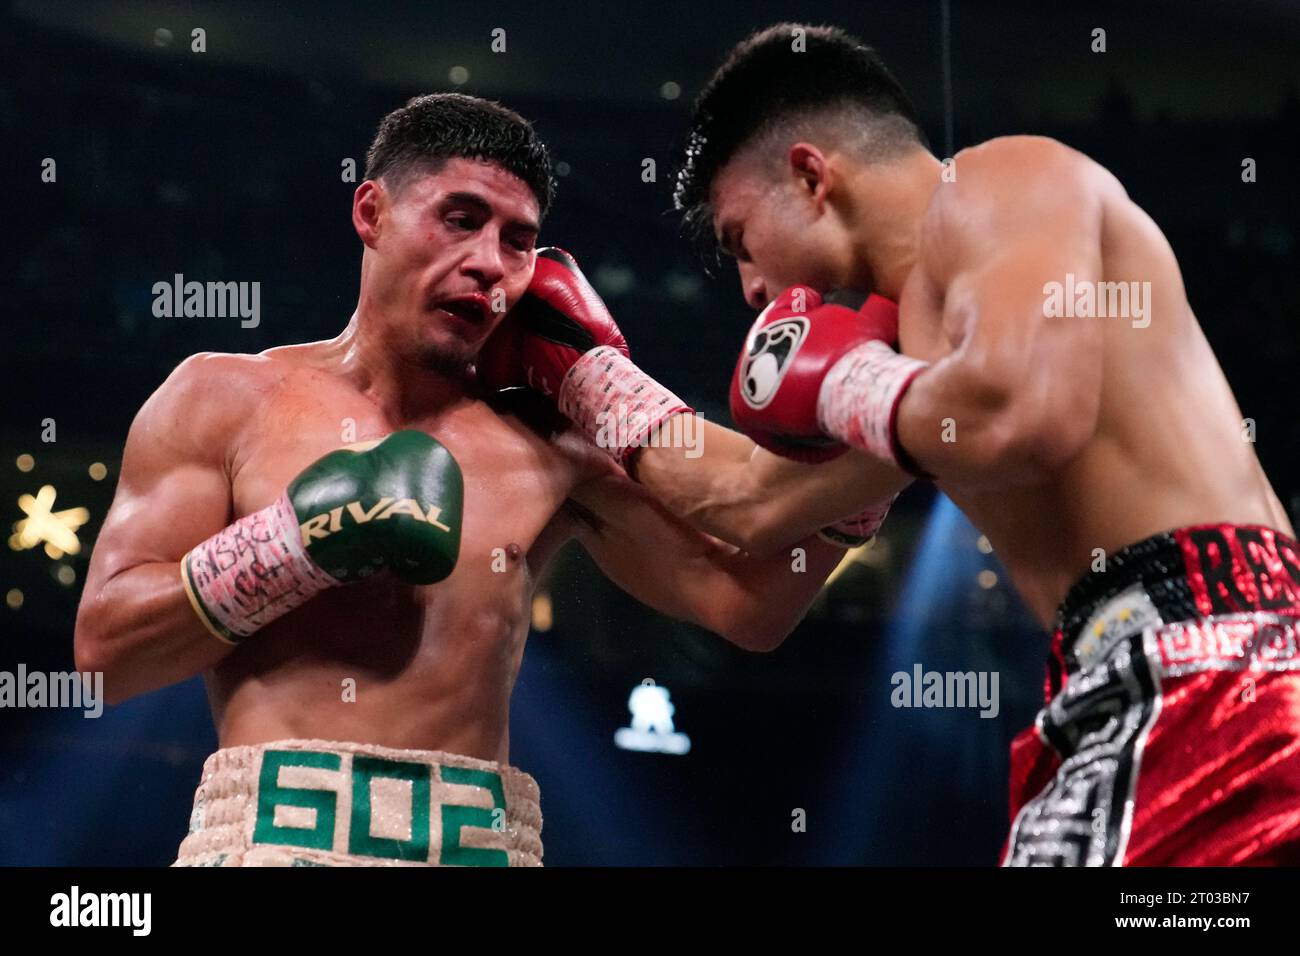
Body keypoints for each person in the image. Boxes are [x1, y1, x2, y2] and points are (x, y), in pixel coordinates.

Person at [533, 23, 1300, 865]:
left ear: (810, 176)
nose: (752, 289)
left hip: (1225, 655)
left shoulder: (1002, 182)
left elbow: (1025, 413)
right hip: (1114, 681)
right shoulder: (912, 360)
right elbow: (749, 506)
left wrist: (841, 384)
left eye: (740, 239)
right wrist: (583, 377)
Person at [73, 93, 879, 867]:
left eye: (519, 241)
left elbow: (750, 606)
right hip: (268, 840)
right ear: (372, 214)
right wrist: (292, 544)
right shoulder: (223, 399)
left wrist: (873, 462)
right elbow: (104, 654)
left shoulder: (551, 439)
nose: (489, 264)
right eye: (460, 220)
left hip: (478, 846)